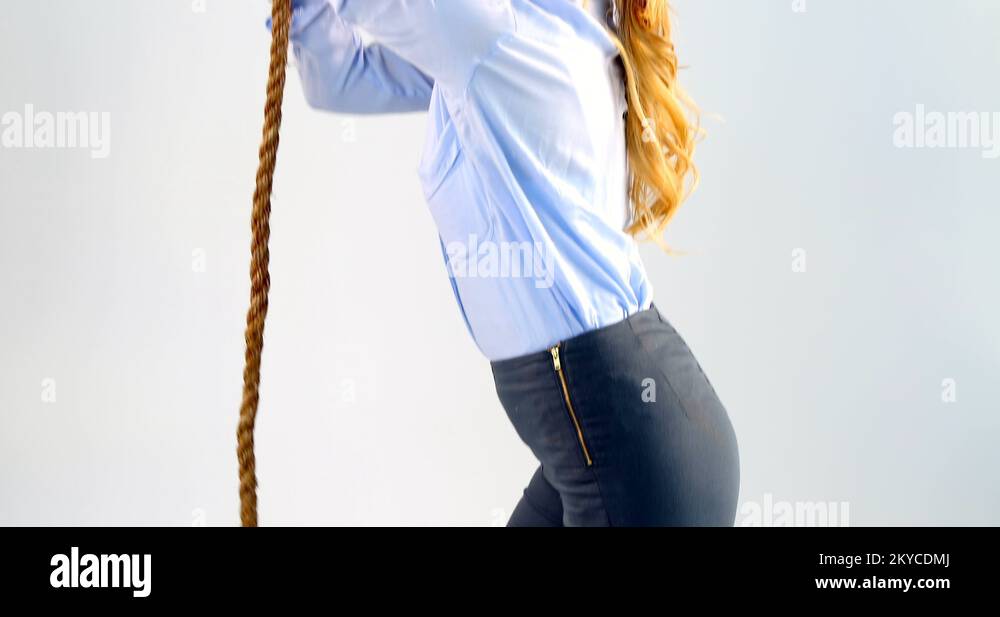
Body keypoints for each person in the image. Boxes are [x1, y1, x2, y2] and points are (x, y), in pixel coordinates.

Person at [271, 0, 740, 526]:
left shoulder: (492, 28)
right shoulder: (505, 32)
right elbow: (340, 78)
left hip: (632, 452)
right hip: (625, 438)